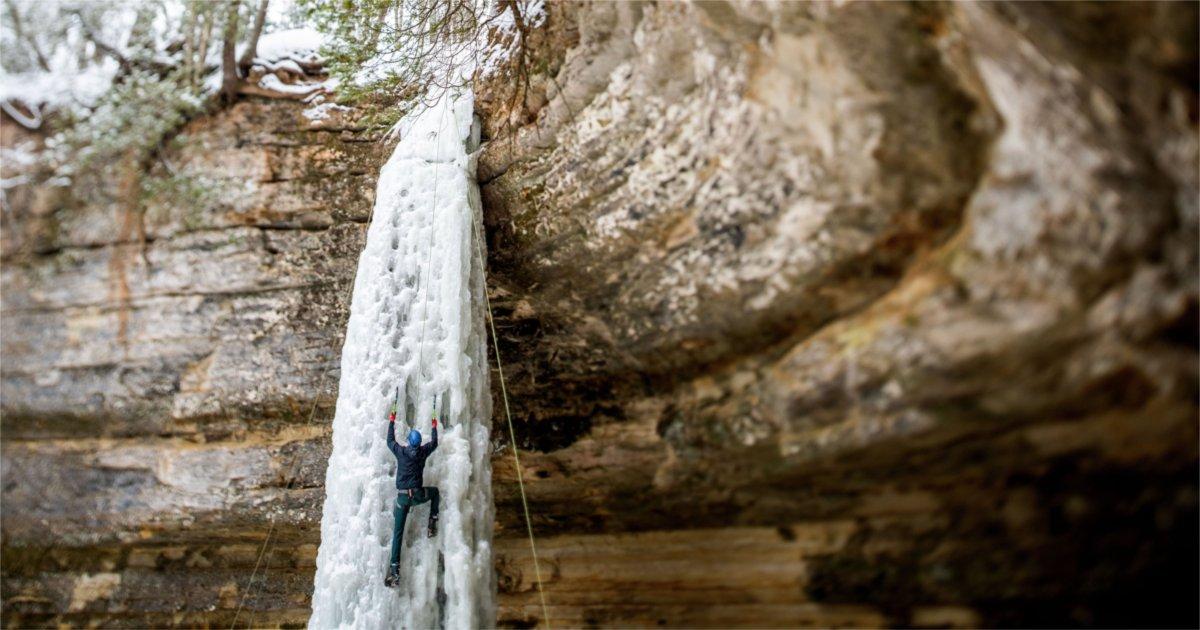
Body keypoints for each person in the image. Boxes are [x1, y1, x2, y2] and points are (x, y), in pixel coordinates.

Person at [384, 405, 439, 588]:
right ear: (419, 443)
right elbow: (434, 443)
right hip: (417, 495)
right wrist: (434, 426)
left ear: (408, 442)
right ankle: (432, 522)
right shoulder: (422, 452)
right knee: (435, 493)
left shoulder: (401, 452)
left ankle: (395, 572)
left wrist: (392, 421)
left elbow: (390, 441)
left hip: (402, 499)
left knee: (398, 534)